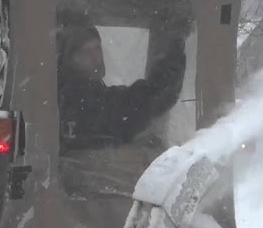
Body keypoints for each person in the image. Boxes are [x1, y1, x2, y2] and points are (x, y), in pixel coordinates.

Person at [55, 18, 187, 151]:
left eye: (97, 48)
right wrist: (175, 47)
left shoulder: (70, 98)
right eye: (85, 52)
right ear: (68, 61)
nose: (96, 57)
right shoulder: (77, 101)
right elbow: (148, 99)